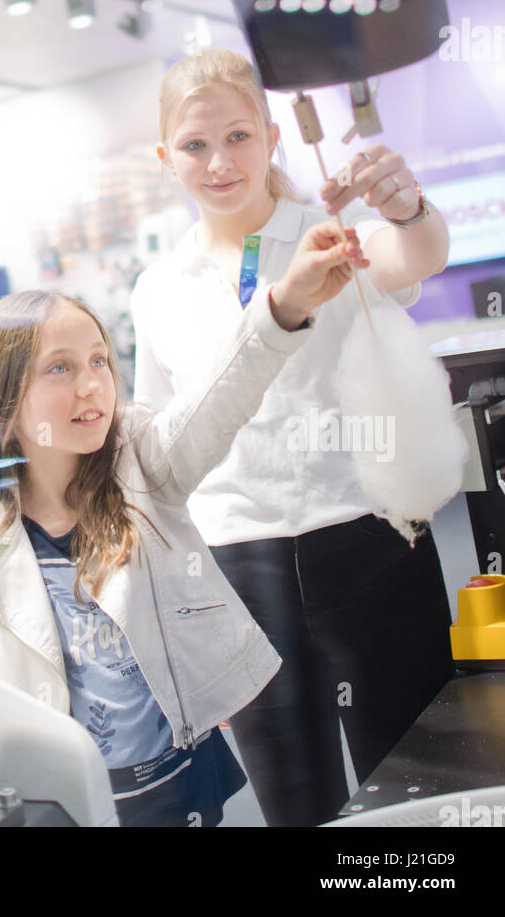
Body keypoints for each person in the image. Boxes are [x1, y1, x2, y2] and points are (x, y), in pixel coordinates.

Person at [131, 47, 454, 828]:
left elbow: (413, 255)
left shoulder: (328, 233)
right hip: (240, 569)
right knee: (293, 804)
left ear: (272, 137)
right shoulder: (158, 288)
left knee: (418, 781)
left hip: (366, 537)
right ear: (164, 157)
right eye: (196, 145)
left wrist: (407, 209)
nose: (219, 162)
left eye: (238, 136)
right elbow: (161, 442)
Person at [0, 220, 367, 827]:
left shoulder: (138, 461)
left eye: (99, 359)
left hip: (177, 788)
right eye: (60, 369)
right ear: (4, 395)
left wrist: (284, 306)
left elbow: (218, 397)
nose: (92, 383)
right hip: (72, 803)